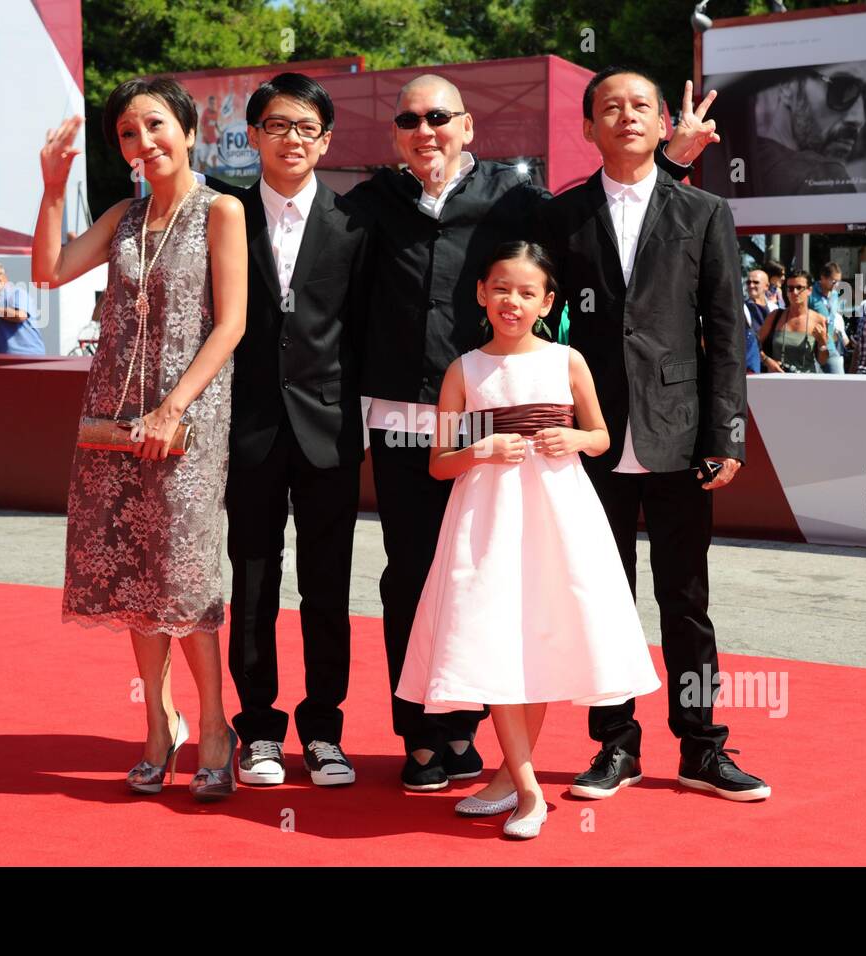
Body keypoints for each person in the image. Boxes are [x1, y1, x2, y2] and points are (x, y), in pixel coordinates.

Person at [346, 71, 715, 792]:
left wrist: (669, 161)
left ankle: (481, 736)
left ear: (467, 127)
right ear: (396, 131)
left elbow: (608, 222)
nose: (426, 131)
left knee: (495, 583)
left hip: (498, 423)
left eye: (440, 117)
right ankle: (426, 736)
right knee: (413, 579)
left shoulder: (515, 202)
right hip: (403, 419)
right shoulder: (369, 204)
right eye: (411, 119)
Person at [539, 65, 770, 802]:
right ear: (588, 126)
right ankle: (615, 744)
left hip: (680, 436)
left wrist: (726, 435)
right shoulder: (561, 216)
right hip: (592, 437)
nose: (627, 116)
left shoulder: (703, 212)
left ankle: (703, 747)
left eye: (641, 105)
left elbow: (726, 334)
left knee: (687, 601)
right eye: (611, 107)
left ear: (661, 121)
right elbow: (540, 323)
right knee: (602, 600)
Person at [396, 242, 660, 838]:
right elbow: (438, 463)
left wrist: (575, 441)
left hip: (557, 514)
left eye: (527, 291)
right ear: (482, 294)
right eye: (501, 289)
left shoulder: (568, 362)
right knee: (492, 636)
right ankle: (530, 790)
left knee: (532, 642)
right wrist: (479, 451)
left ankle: (507, 780)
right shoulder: (463, 369)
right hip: (485, 516)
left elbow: (600, 437)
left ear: (547, 301)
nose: (512, 301)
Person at [32, 76, 248, 801]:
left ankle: (217, 728)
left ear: (188, 130)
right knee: (132, 570)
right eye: (128, 133)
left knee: (182, 572)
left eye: (155, 126)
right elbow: (51, 270)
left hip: (188, 417)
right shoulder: (125, 216)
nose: (144, 143)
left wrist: (172, 409)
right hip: (113, 413)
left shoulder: (222, 210)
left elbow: (232, 323)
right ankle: (159, 725)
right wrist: (54, 186)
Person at [222, 73, 370, 789]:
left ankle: (324, 731)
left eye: (306, 128)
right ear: (253, 135)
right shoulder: (222, 215)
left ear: (326, 141)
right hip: (246, 429)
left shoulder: (354, 225)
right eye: (277, 126)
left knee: (326, 586)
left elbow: (365, 332)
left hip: (330, 431)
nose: (292, 140)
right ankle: (256, 731)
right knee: (252, 581)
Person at [703, 62, 866, 197]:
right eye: (843, 90)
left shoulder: (739, 157)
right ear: (788, 86)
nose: (859, 119)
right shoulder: (825, 179)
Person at [758, 270, 828, 374]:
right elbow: (754, 345)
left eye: (799, 288)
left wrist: (822, 343)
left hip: (806, 383)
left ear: (809, 290)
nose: (794, 292)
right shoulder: (775, 316)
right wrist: (767, 361)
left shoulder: (818, 320)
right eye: (790, 288)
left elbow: (822, 361)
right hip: (777, 381)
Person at [0, 262, 46, 355]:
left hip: (27, 355)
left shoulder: (16, 292)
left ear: (5, 276)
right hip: (2, 358)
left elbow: (20, 316)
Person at [809, 261, 848, 374]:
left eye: (839, 281)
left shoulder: (835, 295)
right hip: (811, 346)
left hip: (829, 344)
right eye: (834, 281)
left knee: (839, 381)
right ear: (823, 278)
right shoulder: (810, 294)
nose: (837, 284)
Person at [744, 268, 771, 337]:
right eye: (748, 282)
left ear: (766, 286)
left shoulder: (774, 308)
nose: (751, 285)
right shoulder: (742, 308)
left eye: (756, 282)